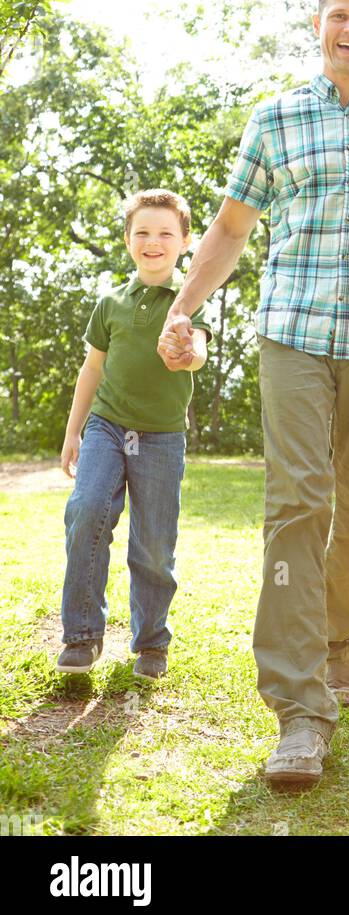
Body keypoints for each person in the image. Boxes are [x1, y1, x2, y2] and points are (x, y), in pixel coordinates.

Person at [159, 0, 349, 789]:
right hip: (292, 334)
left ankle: (336, 644)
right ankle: (297, 707)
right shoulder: (277, 118)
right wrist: (181, 309)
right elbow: (228, 228)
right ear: (318, 27)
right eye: (338, 17)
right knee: (297, 503)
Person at [58, 189, 211, 680]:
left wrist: (189, 352)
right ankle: (82, 637)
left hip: (162, 437)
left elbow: (201, 348)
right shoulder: (110, 303)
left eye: (166, 233)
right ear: (128, 241)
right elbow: (92, 368)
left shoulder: (189, 302)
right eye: (142, 232)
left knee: (153, 544)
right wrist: (73, 431)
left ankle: (150, 644)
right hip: (106, 425)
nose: (153, 241)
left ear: (184, 242)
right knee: (86, 512)